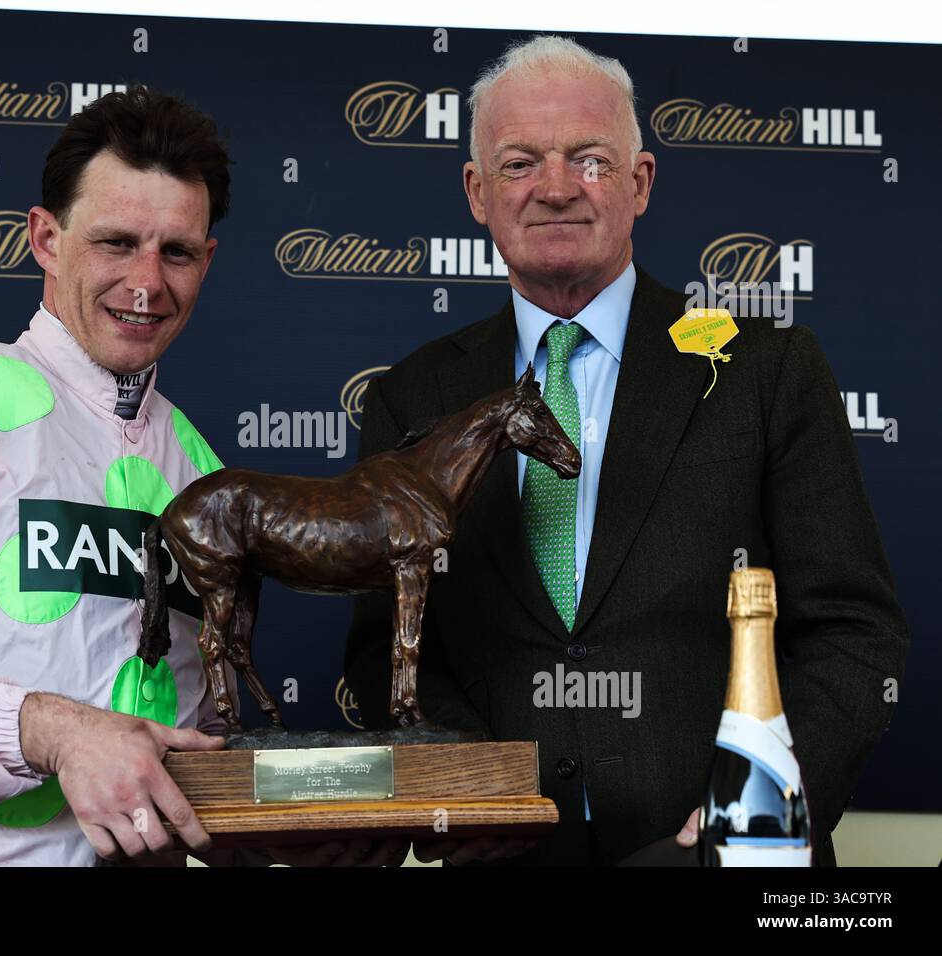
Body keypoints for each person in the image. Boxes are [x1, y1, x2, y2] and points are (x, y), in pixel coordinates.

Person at [0, 85, 403, 867]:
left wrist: (305, 829)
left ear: (207, 262)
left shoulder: (203, 471)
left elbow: (190, 763)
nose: (147, 283)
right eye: (116, 242)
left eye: (176, 252)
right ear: (44, 239)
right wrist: (53, 731)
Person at [344, 36, 909, 866]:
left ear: (640, 182)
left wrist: (746, 812)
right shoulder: (413, 398)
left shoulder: (764, 368)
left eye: (591, 160)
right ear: (477, 193)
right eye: (520, 163)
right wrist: (477, 800)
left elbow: (853, 631)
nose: (557, 188)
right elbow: (388, 646)